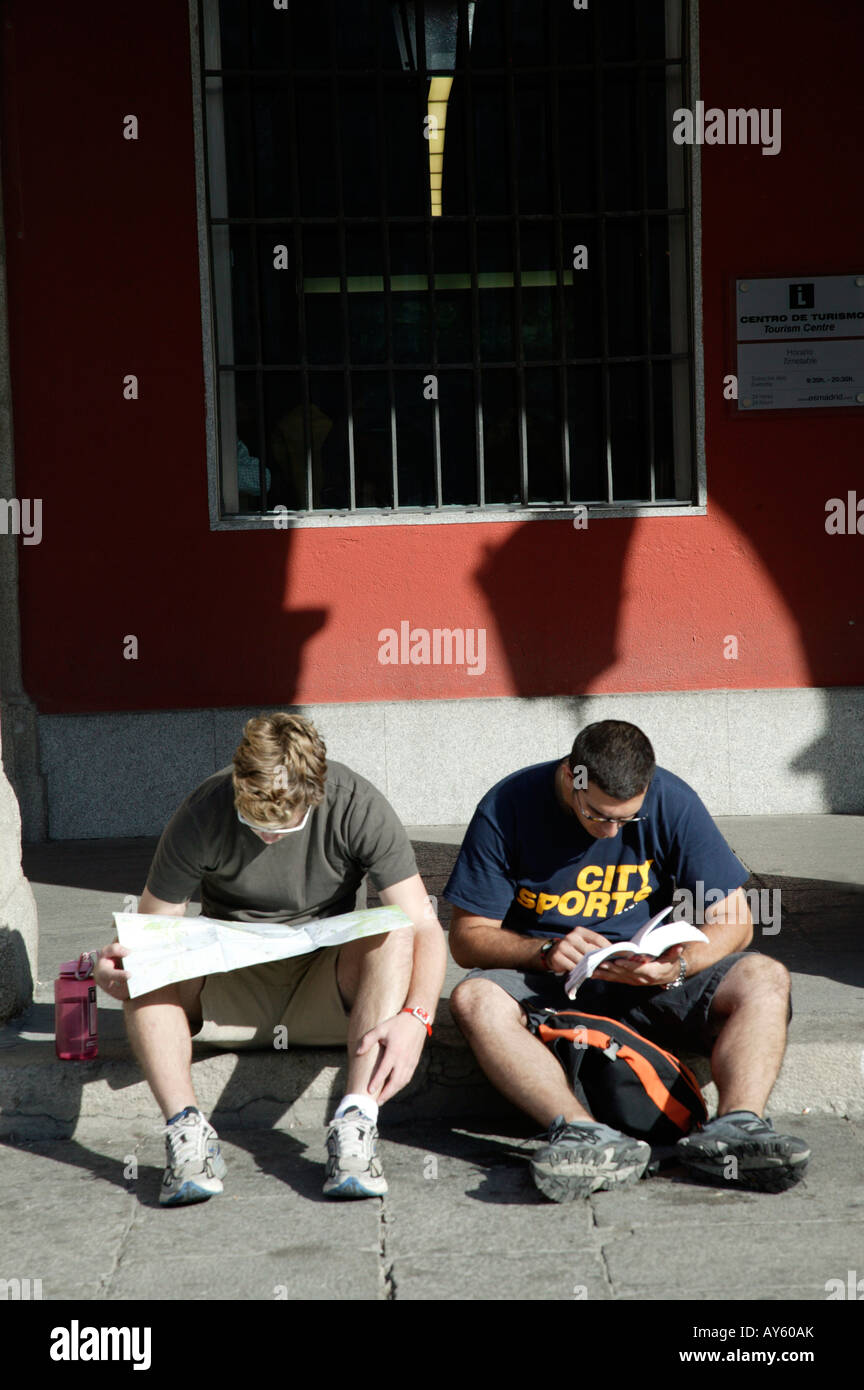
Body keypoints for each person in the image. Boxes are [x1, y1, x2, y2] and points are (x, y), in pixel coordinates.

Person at [444, 720, 810, 1201]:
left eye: (628, 819)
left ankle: (737, 1128)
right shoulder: (507, 806)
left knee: (765, 975)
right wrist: (544, 952)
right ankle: (580, 1134)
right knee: (473, 998)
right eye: (599, 815)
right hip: (550, 985)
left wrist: (675, 967)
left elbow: (736, 920)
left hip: (651, 978)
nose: (613, 830)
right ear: (573, 778)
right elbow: (467, 939)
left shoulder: (671, 800)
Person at [93, 713, 446, 1206]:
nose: (270, 838)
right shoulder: (204, 810)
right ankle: (187, 1133)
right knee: (147, 955)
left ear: (317, 791)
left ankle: (356, 1121)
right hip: (228, 987)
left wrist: (418, 1017)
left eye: (288, 825)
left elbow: (425, 926)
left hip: (329, 987)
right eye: (255, 823)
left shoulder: (357, 803)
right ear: (238, 787)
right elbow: (151, 928)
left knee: (394, 927)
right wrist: (112, 968)